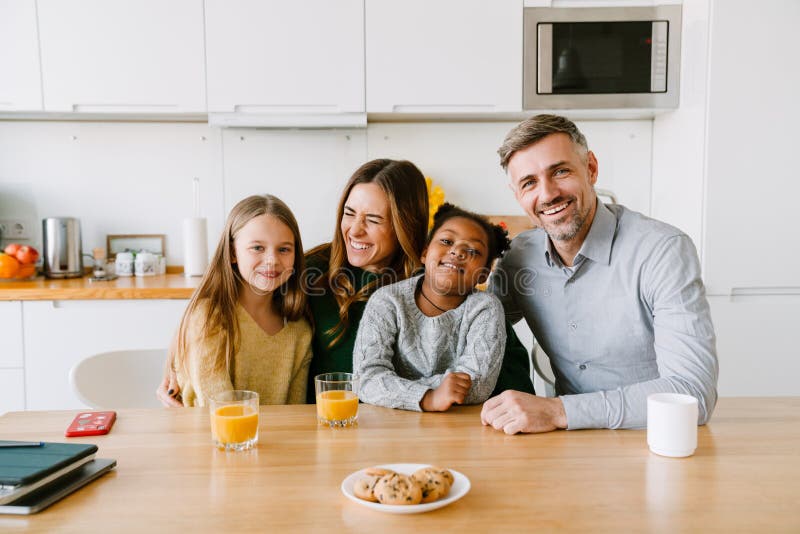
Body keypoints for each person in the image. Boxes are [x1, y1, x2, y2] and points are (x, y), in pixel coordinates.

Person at [157, 160, 535, 406]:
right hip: (328, 434)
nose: (354, 230)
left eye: (374, 219)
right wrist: (177, 362)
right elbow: (225, 300)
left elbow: (503, 362)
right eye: (349, 213)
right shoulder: (312, 270)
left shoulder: (437, 285)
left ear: (405, 225)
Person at [480, 114, 718, 434]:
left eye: (560, 171)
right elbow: (476, 324)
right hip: (568, 445)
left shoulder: (663, 250)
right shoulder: (520, 256)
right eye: (529, 183)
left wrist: (558, 410)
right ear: (518, 195)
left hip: (654, 439)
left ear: (591, 168)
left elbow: (692, 394)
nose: (548, 194)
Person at [354, 203, 511, 412]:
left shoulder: (486, 309)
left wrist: (396, 390)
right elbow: (365, 380)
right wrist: (429, 397)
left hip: (459, 427)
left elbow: (478, 384)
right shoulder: (387, 301)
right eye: (446, 241)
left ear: (483, 274)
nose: (457, 252)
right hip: (391, 426)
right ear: (425, 253)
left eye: (472, 250)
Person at [171, 194, 312, 406]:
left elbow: (294, 414)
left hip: (275, 438)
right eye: (257, 248)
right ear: (232, 252)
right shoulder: (209, 316)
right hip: (210, 438)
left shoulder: (299, 332)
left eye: (284, 249)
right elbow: (220, 409)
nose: (272, 261)